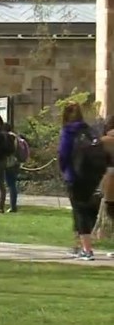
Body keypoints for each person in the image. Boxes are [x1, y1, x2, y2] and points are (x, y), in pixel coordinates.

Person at [59, 102, 104, 260]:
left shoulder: (67, 131)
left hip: (74, 175)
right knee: (84, 210)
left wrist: (64, 170)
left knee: (79, 211)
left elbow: (63, 154)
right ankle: (78, 245)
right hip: (92, 176)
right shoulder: (89, 130)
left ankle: (87, 249)